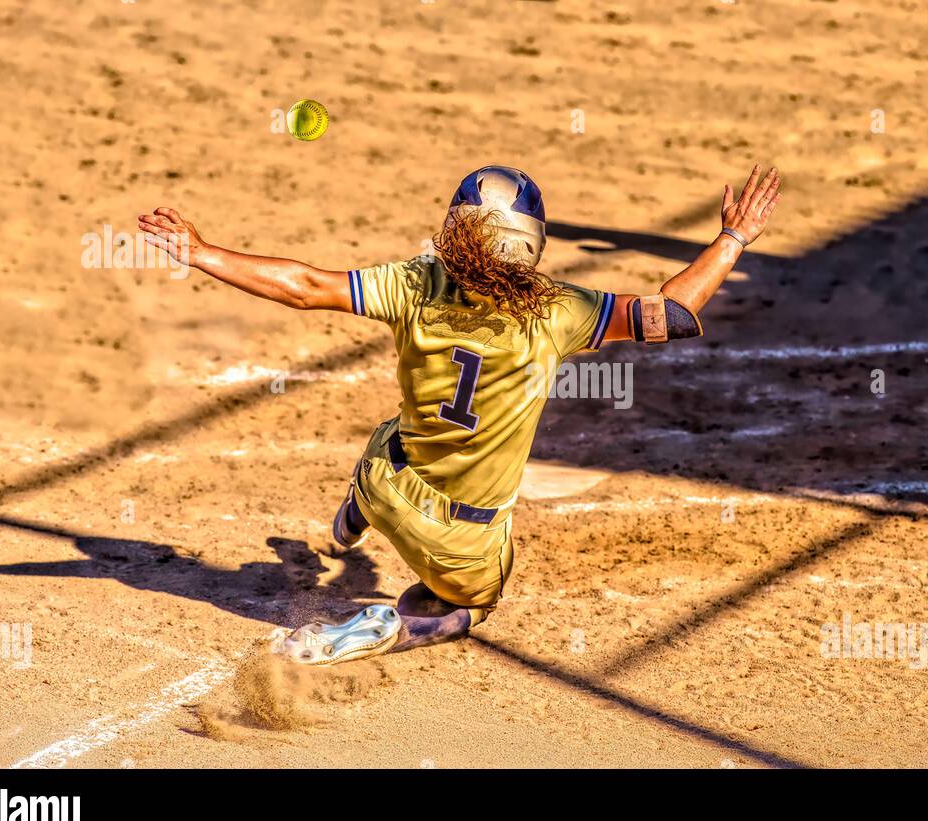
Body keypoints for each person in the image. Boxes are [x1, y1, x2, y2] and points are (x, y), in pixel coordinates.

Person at [138, 163, 781, 664]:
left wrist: (201, 251)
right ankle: (389, 628)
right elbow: (675, 313)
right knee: (467, 607)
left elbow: (305, 287)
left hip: (390, 482)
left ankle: (358, 512)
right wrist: (733, 237)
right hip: (464, 542)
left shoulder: (416, 284)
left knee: (389, 434)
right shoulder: (559, 311)